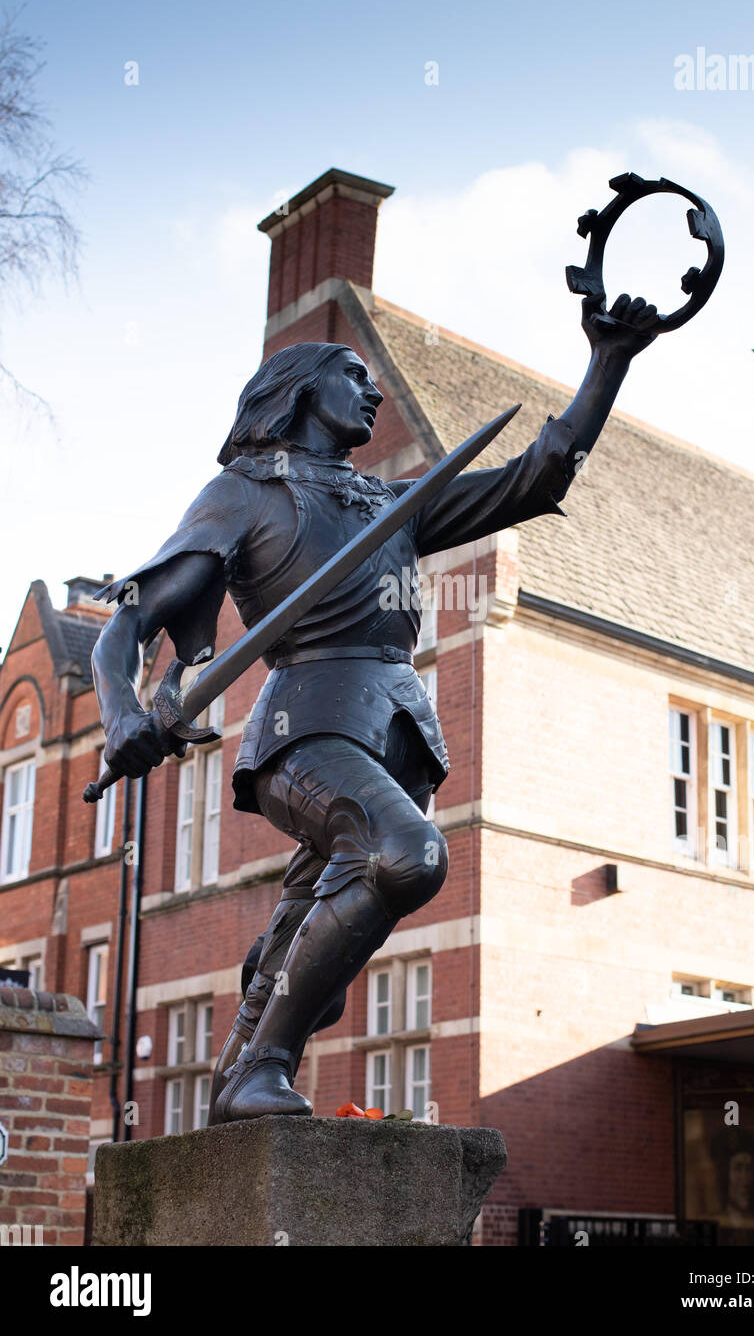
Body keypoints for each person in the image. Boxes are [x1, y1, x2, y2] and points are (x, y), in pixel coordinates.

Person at [91, 291, 658, 1124]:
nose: (375, 392)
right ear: (301, 391)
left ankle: (246, 1058)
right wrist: (119, 717)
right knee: (408, 856)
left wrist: (608, 363)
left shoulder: (386, 503)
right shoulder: (242, 494)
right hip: (304, 731)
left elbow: (539, 474)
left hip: (396, 728)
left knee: (311, 927)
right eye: (353, 376)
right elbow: (130, 625)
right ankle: (266, 1068)